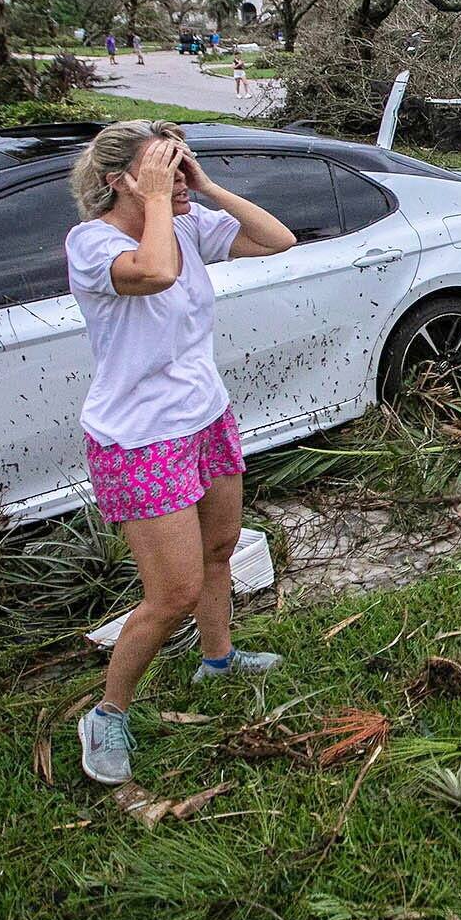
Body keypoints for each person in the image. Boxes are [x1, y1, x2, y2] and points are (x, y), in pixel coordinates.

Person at [65, 121, 296, 785]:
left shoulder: (188, 224)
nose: (175, 173)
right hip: (140, 439)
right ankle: (107, 715)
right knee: (172, 594)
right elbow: (156, 271)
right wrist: (163, 202)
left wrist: (204, 185)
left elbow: (276, 237)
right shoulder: (92, 243)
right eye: (160, 165)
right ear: (119, 180)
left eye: (177, 162)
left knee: (221, 548)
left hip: (204, 417)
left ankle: (218, 657)